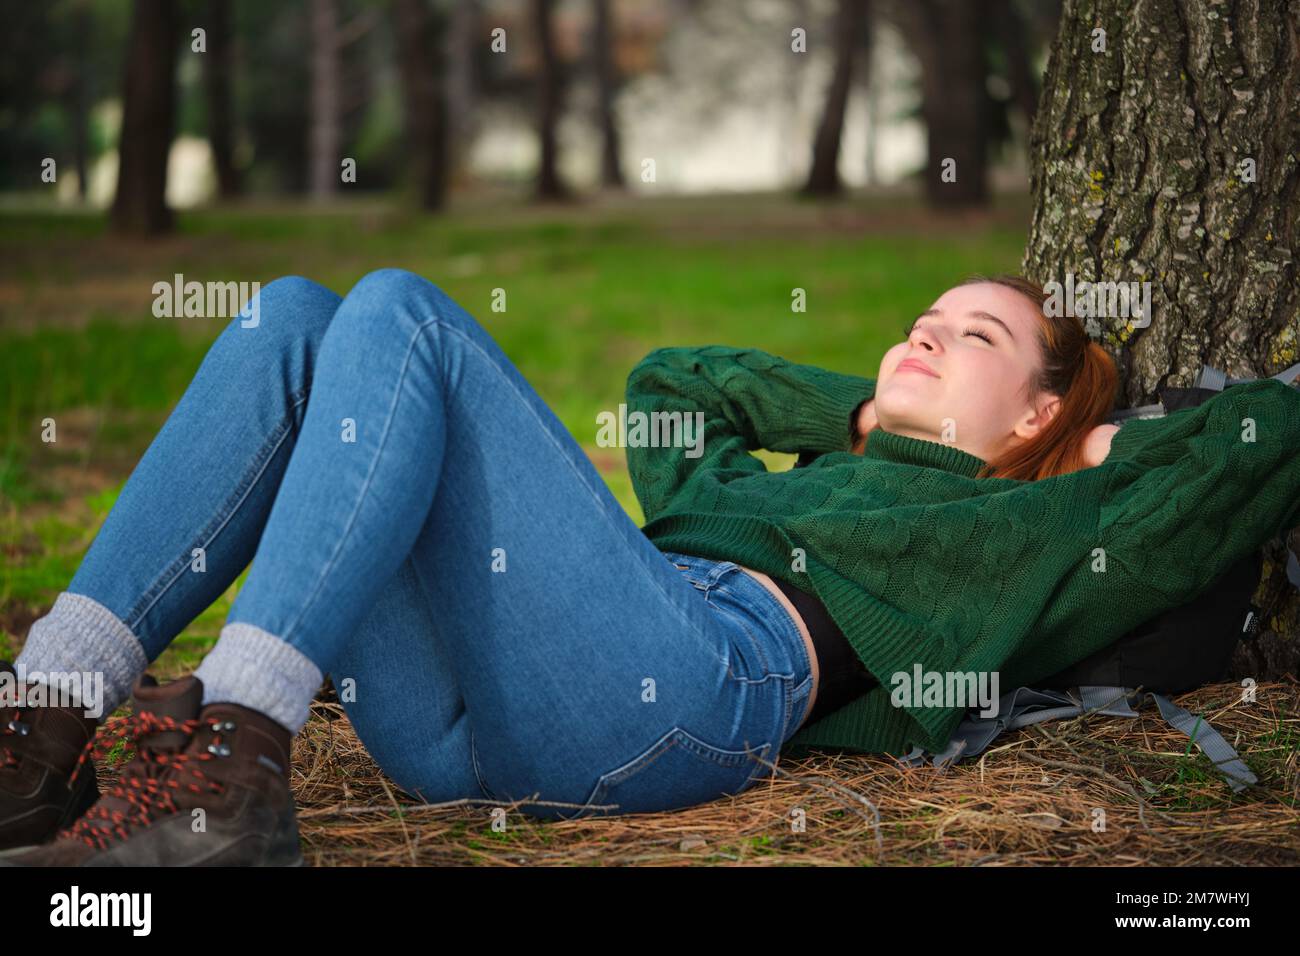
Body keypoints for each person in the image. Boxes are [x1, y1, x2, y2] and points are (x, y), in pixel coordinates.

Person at [3, 270, 1298, 866]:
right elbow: (671, 387)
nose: (922, 335)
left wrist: (1105, 444)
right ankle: (37, 725)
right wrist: (869, 408)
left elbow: (1256, 446)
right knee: (291, 313)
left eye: (971, 336)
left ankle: (234, 753)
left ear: (1032, 419)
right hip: (481, 716)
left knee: (397, 307)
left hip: (691, 692)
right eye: (919, 318)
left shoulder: (1029, 529)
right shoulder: (747, 483)